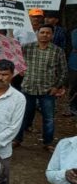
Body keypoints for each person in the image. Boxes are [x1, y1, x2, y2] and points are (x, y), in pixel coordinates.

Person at [15, 24, 67, 153]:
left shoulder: (57, 51)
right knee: (22, 116)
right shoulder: (27, 48)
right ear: (37, 33)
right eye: (42, 32)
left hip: (47, 90)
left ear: (52, 35)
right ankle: (17, 139)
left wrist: (56, 87)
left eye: (48, 33)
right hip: (28, 88)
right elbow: (16, 60)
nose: (44, 35)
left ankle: (48, 143)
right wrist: (19, 69)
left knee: (48, 118)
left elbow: (64, 72)